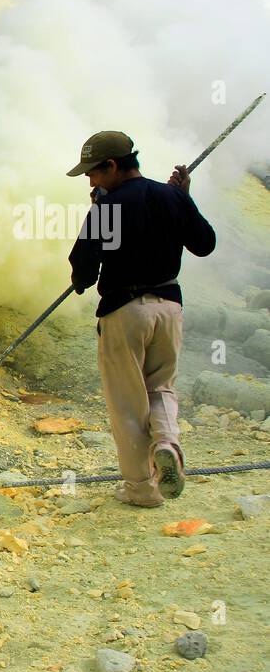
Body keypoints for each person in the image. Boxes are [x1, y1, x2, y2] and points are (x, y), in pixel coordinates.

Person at [66, 131, 217, 507]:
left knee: (127, 403)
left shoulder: (108, 205)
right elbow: (205, 244)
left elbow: (84, 265)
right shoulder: (172, 197)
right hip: (169, 308)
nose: (91, 180)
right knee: (161, 387)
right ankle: (167, 443)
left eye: (94, 173)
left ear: (112, 166)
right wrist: (183, 198)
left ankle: (142, 490)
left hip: (125, 312)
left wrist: (81, 282)